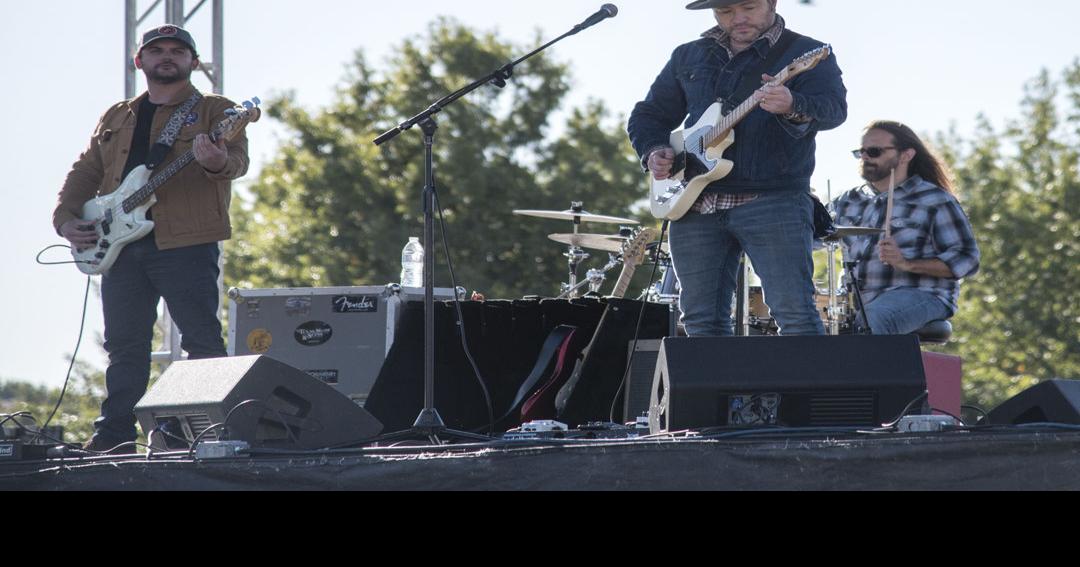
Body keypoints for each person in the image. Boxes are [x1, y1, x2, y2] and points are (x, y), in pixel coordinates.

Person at [53, 25, 250, 453]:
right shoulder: (117, 115)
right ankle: (115, 436)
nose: (167, 57)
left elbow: (236, 162)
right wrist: (66, 219)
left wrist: (216, 160)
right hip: (121, 245)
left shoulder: (218, 110)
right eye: (156, 50)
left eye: (178, 52)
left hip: (186, 242)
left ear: (193, 62)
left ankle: (206, 432)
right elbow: (86, 171)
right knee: (124, 344)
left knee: (200, 340)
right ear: (139, 61)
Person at [628, 0, 847, 337]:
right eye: (726, 11)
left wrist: (793, 104)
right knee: (700, 321)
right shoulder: (689, 55)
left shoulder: (806, 52)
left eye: (749, 7)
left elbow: (834, 109)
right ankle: (713, 392)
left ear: (772, 3)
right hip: (694, 202)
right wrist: (654, 150)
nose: (738, 19)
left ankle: (804, 391)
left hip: (773, 199)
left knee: (796, 316)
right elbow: (648, 116)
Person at [831, 121, 980, 335]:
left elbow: (967, 259)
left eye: (874, 151)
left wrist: (906, 263)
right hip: (855, 300)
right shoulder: (847, 201)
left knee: (873, 320)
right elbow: (812, 236)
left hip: (921, 294)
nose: (865, 157)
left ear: (906, 155)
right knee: (806, 321)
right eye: (861, 152)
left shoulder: (934, 200)